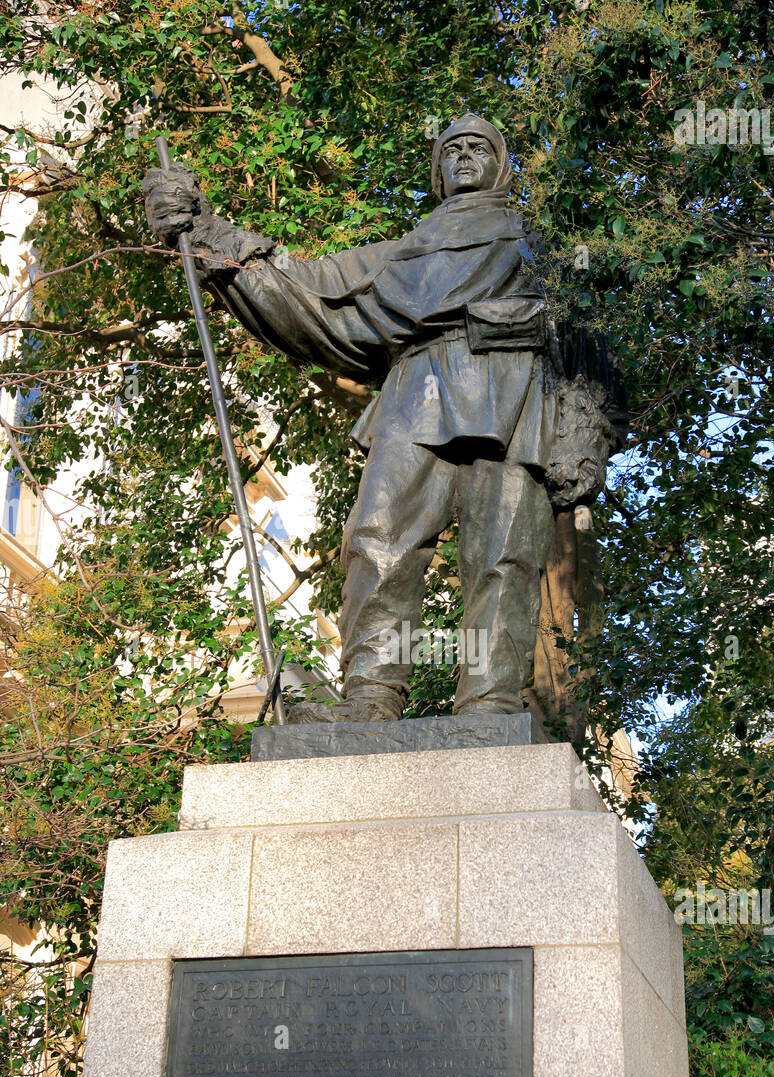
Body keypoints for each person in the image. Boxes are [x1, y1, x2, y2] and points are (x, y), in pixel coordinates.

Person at [143, 113, 626, 723]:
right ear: (437, 170)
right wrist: (205, 231)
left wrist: (588, 433)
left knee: (504, 553)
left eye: (481, 147)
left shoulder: (548, 251)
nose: (466, 156)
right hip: (416, 394)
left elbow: (595, 331)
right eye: (453, 149)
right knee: (378, 539)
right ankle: (370, 698)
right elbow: (309, 294)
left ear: (503, 165)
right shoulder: (402, 256)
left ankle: (490, 704)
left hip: (516, 398)